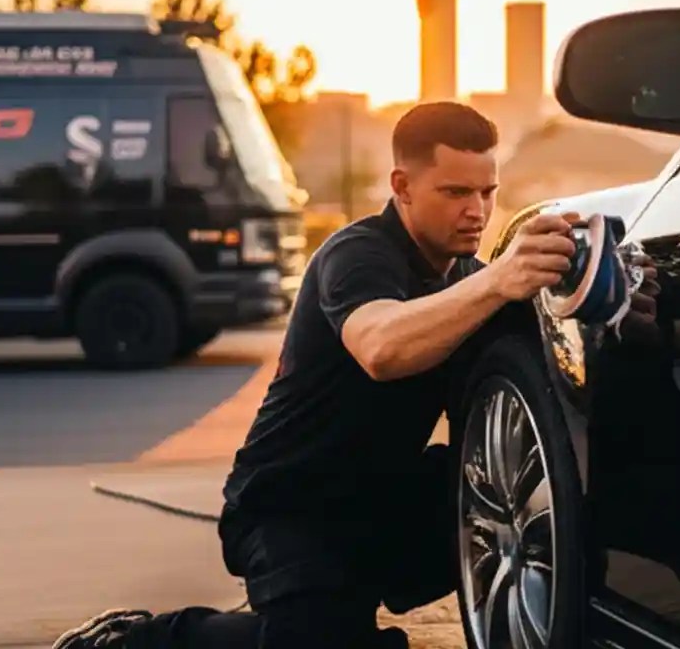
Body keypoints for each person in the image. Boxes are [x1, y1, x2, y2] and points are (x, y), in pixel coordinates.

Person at [52, 101, 580, 649]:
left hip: (386, 502)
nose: (477, 210)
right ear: (401, 185)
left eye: (487, 192)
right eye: (455, 193)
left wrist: (610, 311)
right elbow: (380, 347)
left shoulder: (469, 280)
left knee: (531, 486)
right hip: (290, 507)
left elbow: (519, 387)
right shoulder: (357, 255)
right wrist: (497, 283)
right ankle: (136, 641)